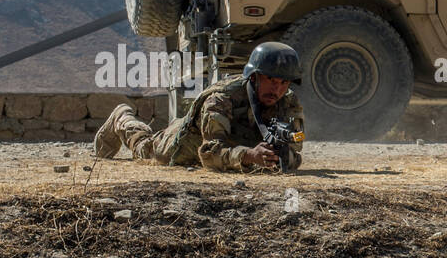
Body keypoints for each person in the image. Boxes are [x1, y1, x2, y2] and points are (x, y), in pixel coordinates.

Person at [93, 42, 304, 172]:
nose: (277, 89)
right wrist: (249, 156)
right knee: (142, 147)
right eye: (271, 80)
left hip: (229, 149)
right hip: (177, 148)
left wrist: (280, 155)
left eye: (284, 83)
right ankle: (122, 117)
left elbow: (295, 152)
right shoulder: (221, 99)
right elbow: (209, 154)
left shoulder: (287, 101)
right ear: (254, 77)